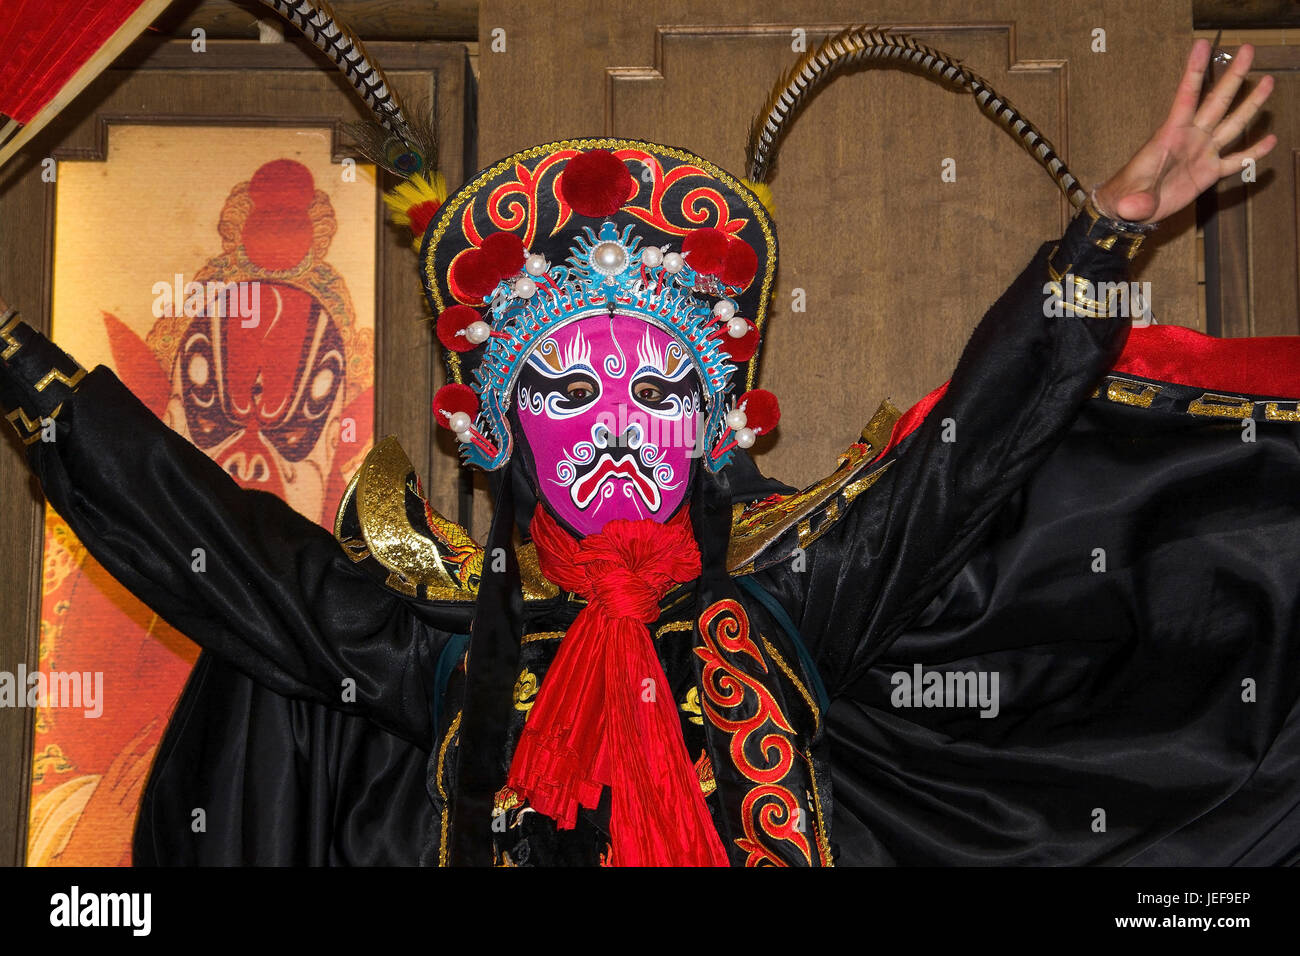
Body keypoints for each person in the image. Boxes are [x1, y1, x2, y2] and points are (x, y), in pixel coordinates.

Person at [2, 20, 1297, 865]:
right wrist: (21, 367)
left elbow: (967, 453)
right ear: (496, 427)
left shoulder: (790, 612)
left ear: (720, 423)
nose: (618, 427)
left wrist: (1104, 243)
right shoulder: (449, 661)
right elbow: (220, 548)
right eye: (568, 388)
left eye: (659, 390)